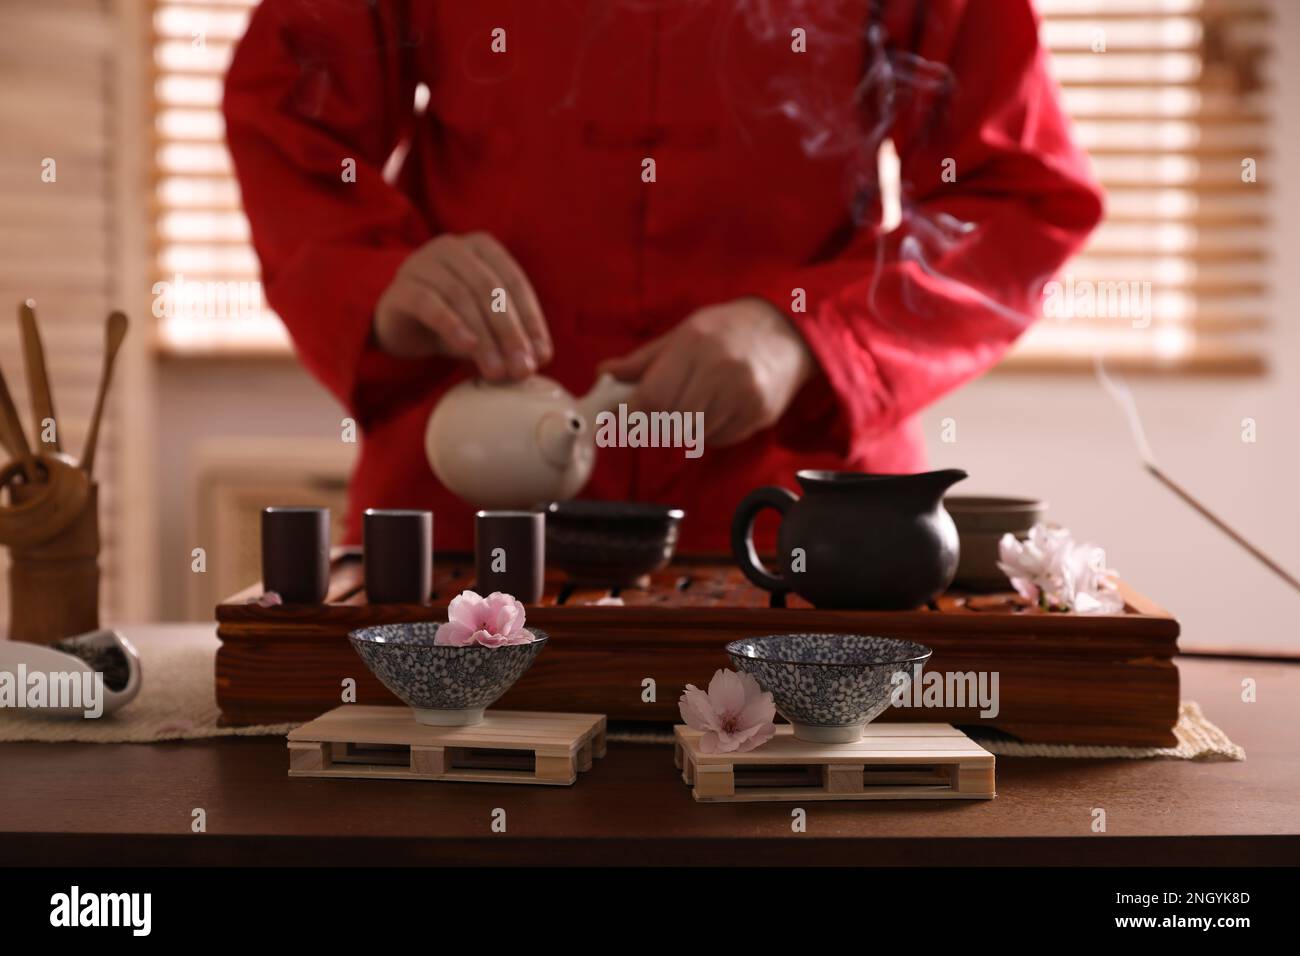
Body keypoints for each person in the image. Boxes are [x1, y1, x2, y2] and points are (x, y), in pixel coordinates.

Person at [224, 0, 1102, 552]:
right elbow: (288, 118)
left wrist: (806, 330)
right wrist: (380, 278)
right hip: (465, 505)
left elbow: (1014, 197)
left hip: (799, 514)